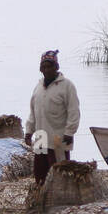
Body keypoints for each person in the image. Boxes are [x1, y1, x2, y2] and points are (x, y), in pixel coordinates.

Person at [25, 49, 80, 185]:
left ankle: (61, 198)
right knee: (40, 172)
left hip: (58, 137)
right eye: (44, 67)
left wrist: (69, 132)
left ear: (57, 67)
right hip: (41, 136)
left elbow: (74, 111)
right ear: (40, 69)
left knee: (59, 170)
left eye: (50, 66)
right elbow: (33, 112)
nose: (47, 69)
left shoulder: (67, 86)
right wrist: (28, 132)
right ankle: (41, 195)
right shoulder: (38, 87)